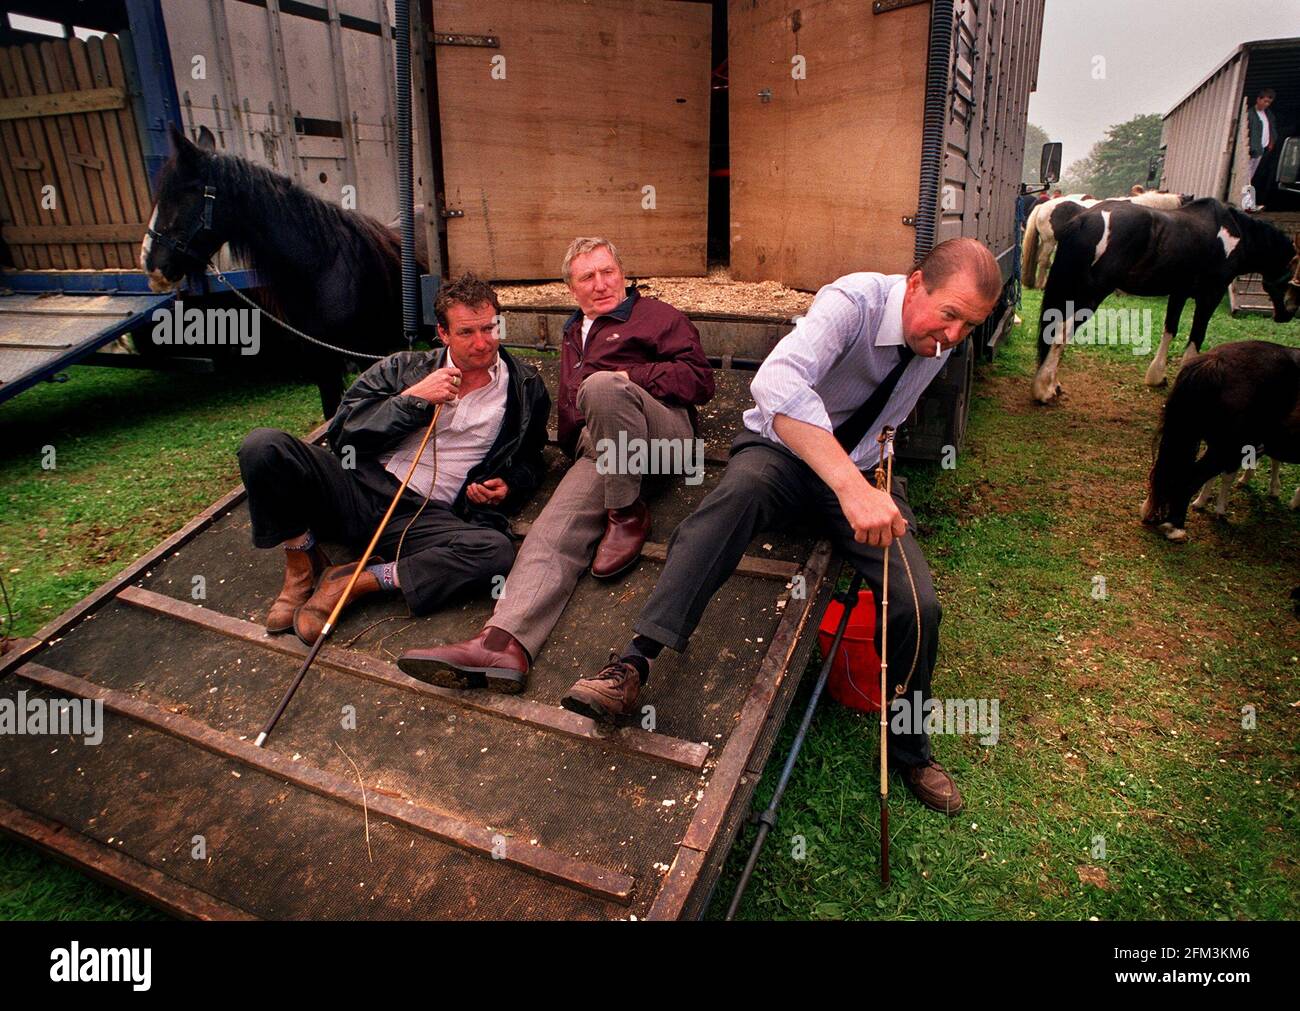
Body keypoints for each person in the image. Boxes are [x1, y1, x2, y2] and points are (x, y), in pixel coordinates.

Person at [562, 238, 1002, 816]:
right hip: (782, 454)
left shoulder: (938, 342)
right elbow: (774, 385)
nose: (952, 337)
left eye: (968, 327)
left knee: (917, 603)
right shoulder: (852, 301)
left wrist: (868, 486)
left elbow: (885, 422)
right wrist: (847, 486)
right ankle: (632, 664)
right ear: (916, 283)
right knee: (728, 505)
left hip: (862, 469)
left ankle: (911, 750)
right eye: (949, 316)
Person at [396, 238, 715, 694]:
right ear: (571, 287)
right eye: (587, 276)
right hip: (604, 449)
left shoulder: (657, 316)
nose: (601, 284)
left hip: (665, 444)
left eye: (608, 272)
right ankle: (503, 642)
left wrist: (629, 378)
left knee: (603, 387)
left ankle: (626, 513)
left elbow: (701, 381)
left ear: (622, 273)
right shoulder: (573, 331)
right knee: (551, 532)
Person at [237, 273, 549, 645]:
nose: (482, 343)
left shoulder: (525, 388)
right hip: (357, 484)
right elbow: (342, 434)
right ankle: (301, 564)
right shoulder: (402, 368)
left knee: (494, 551)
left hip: (418, 514)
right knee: (263, 447)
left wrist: (510, 483)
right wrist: (410, 401)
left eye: (489, 328)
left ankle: (357, 581)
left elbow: (533, 459)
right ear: (443, 334)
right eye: (467, 332)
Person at [1247, 88, 1278, 197]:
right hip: (1251, 150)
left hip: (1262, 149)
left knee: (1250, 176)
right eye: (1265, 101)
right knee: (1246, 176)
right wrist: (1251, 147)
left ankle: (1247, 203)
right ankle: (1247, 204)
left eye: (1269, 102)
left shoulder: (1268, 114)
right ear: (1258, 99)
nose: (1266, 104)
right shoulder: (1250, 114)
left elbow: (1271, 129)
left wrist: (1271, 142)